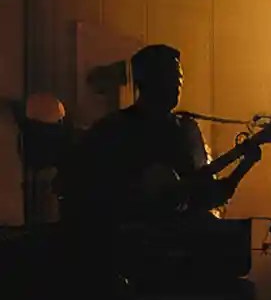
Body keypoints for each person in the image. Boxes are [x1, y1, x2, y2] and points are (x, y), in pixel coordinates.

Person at [55, 44, 259, 224]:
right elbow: (73, 187)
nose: (178, 84)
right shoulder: (113, 129)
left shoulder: (187, 131)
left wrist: (244, 165)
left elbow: (205, 195)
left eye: (179, 77)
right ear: (146, 81)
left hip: (180, 250)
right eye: (169, 76)